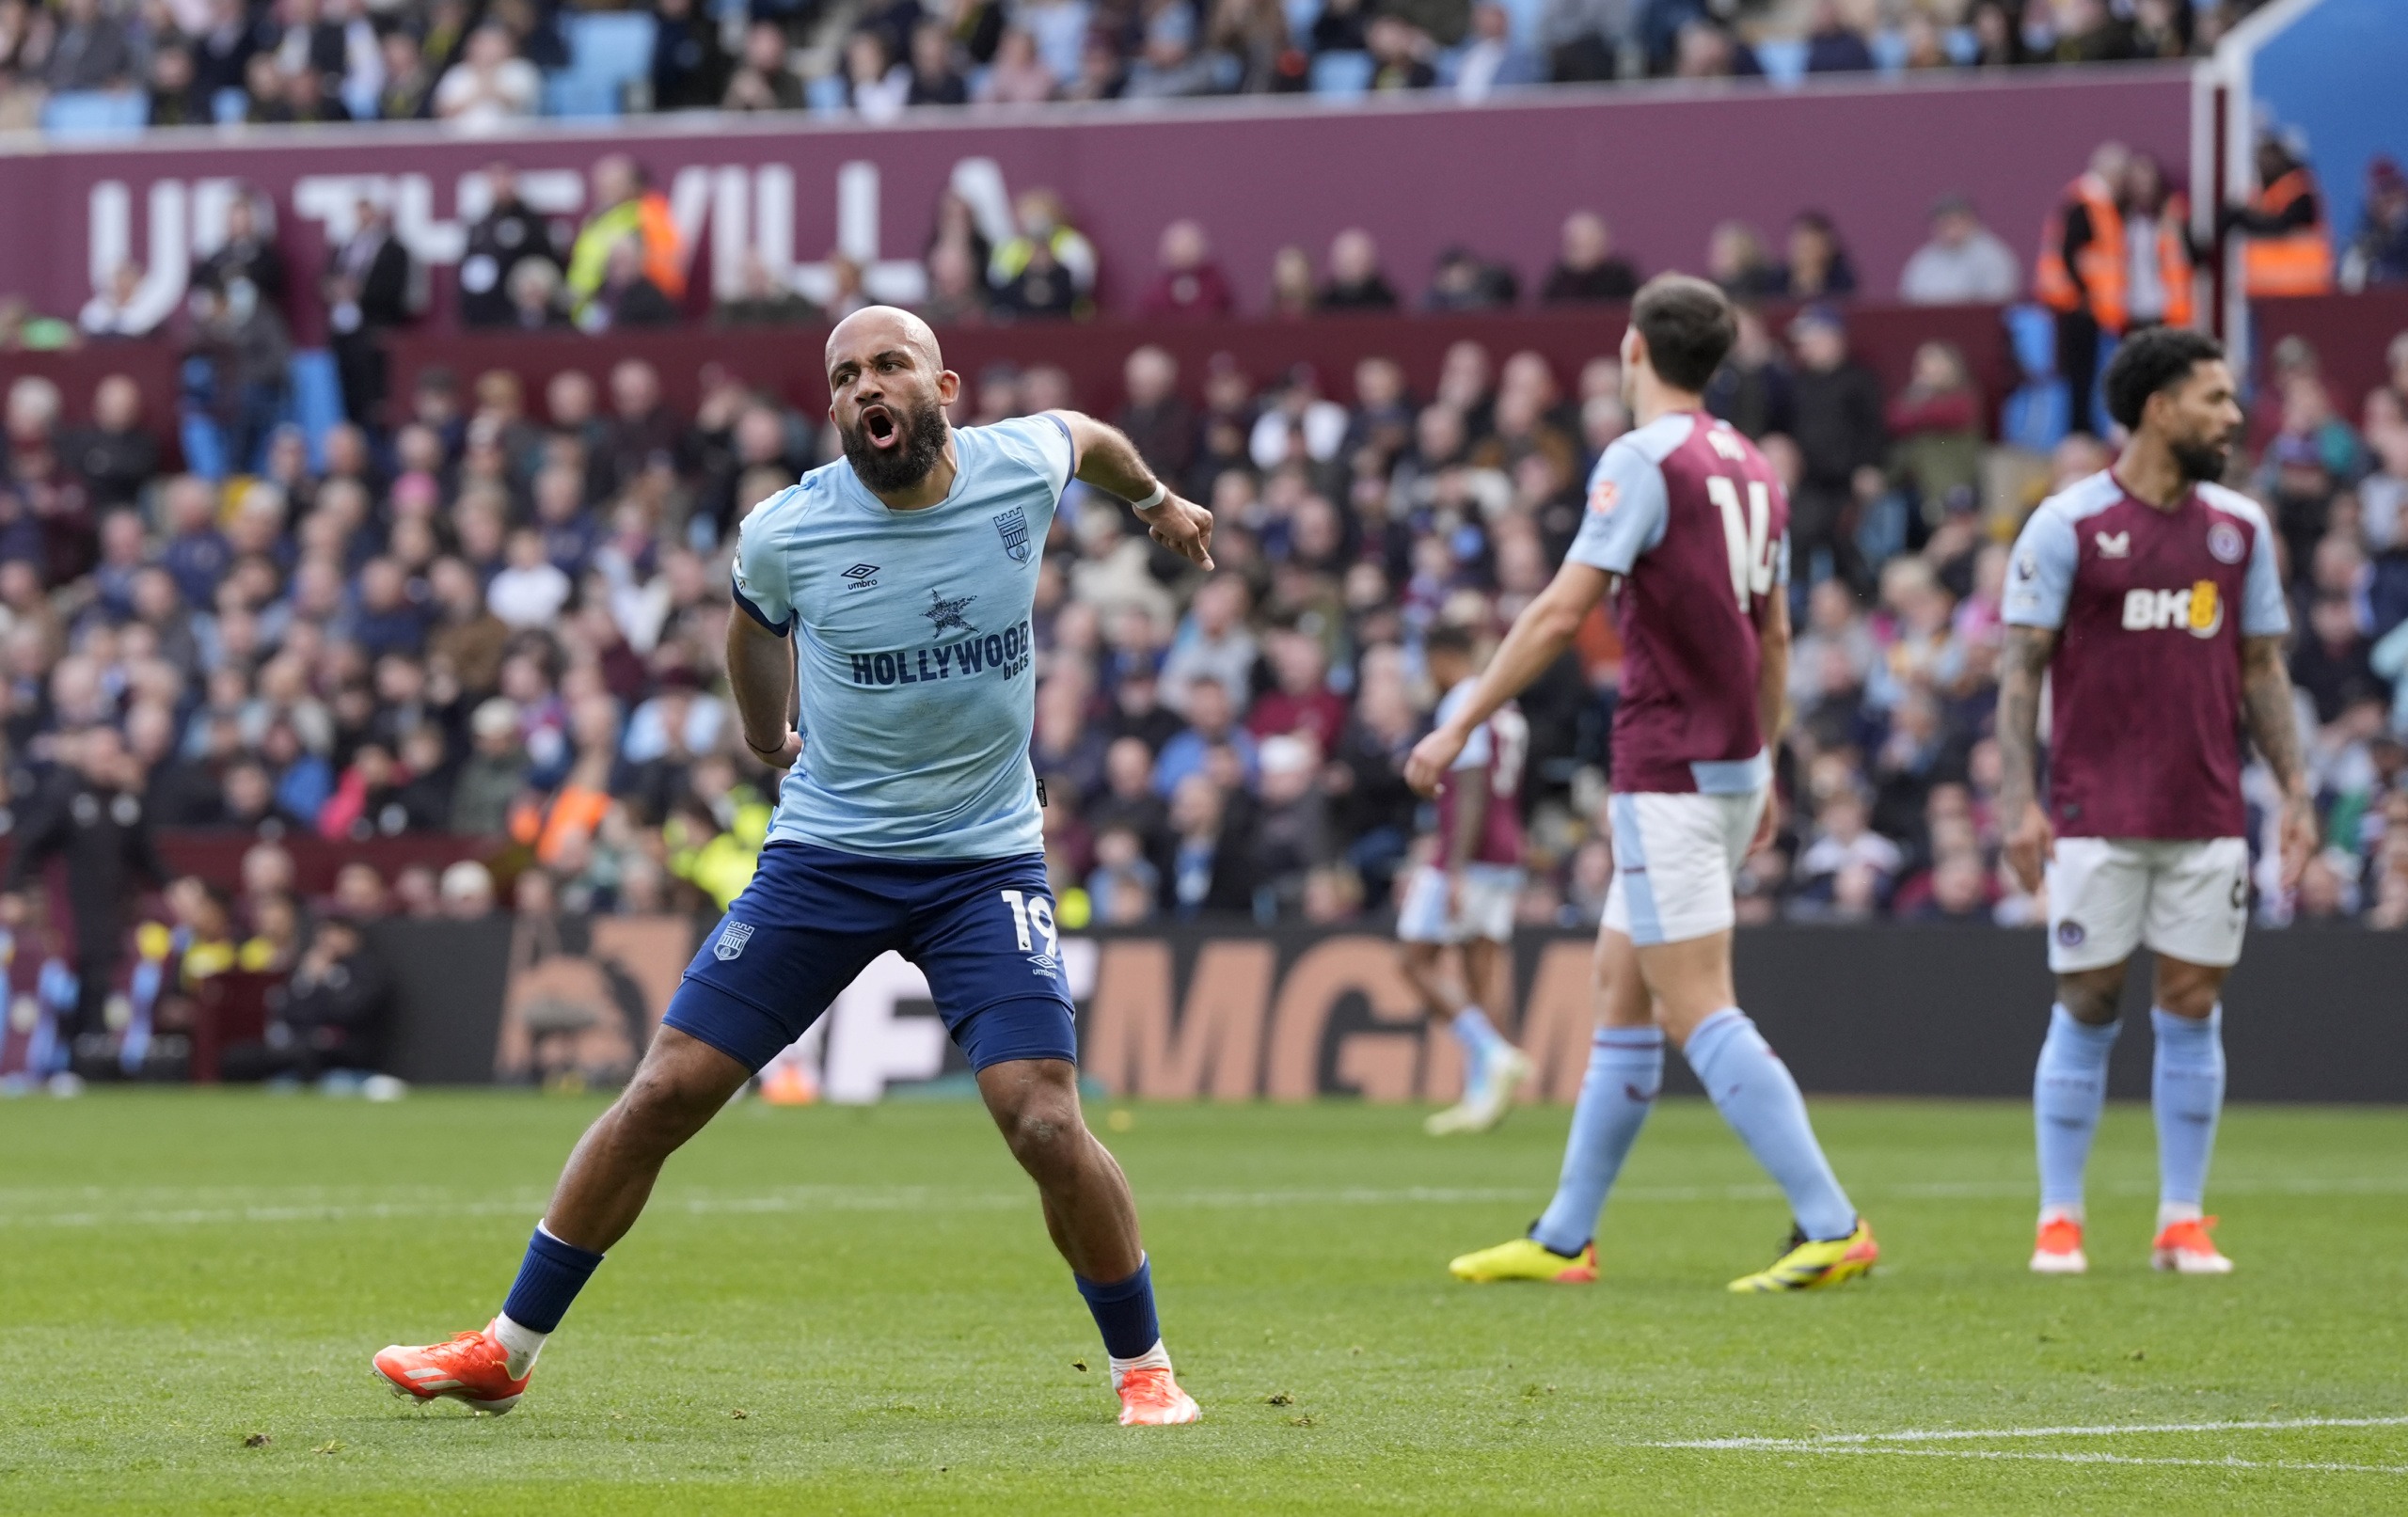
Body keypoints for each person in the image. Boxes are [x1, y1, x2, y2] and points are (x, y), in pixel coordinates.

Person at [373, 307, 1216, 1427]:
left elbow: (1092, 436)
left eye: (889, 365)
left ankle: (1143, 1369)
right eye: (844, 375)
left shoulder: (1021, 463)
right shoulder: (787, 528)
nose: (867, 385)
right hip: (829, 853)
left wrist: (1154, 500)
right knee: (666, 1087)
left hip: (983, 861)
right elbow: (751, 630)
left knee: (1045, 1120)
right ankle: (505, 1347)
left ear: (942, 386)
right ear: (832, 408)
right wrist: (767, 739)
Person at [1418, 277, 1877, 1293]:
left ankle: (1830, 1218)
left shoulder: (1642, 458)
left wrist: (1460, 717)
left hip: (1668, 763)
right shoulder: (1754, 466)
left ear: (1632, 350)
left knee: (1697, 1004)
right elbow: (1779, 632)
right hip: (1725, 760)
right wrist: (1765, 763)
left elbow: (1554, 613)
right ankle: (1563, 1234)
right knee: (1620, 995)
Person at [1997, 327, 2314, 1278]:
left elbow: (2261, 665)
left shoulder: (2238, 529)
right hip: (2095, 810)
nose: (2231, 415)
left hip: (2208, 809)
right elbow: (2021, 674)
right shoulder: (2067, 525)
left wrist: (2293, 789)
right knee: (2088, 997)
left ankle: (2180, 1217)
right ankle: (2059, 1215)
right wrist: (2020, 800)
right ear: (2159, 406)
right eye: (2213, 399)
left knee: (2191, 999)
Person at [1397, 624, 1534, 1135]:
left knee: (1413, 961)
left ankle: (1493, 1054)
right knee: (1482, 972)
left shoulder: (1462, 700)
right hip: (1505, 851)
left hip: (1469, 856)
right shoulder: (1503, 702)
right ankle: (1484, 1099)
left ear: (1440, 657)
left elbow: (1471, 784)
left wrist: (1452, 868)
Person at [2034, 142, 2134, 435]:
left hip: (2090, 306)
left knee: (2088, 373)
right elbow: (2069, 252)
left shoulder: (2097, 202)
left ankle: (2085, 427)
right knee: (2080, 374)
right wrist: (2084, 294)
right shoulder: (2085, 203)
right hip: (2078, 306)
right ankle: (2080, 430)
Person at [2225, 129, 2335, 301]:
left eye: (2269, 158)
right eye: (2260, 159)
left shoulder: (2300, 192)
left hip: (2304, 287)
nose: (2264, 164)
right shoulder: (2263, 195)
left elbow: (2283, 226)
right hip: (2267, 290)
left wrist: (2244, 219)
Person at [1897, 193, 2021, 305]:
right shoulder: (1923, 261)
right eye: (1943, 222)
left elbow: (1997, 302)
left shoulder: (1993, 257)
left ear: (1971, 220)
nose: (1949, 228)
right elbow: (1909, 301)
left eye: (1955, 220)